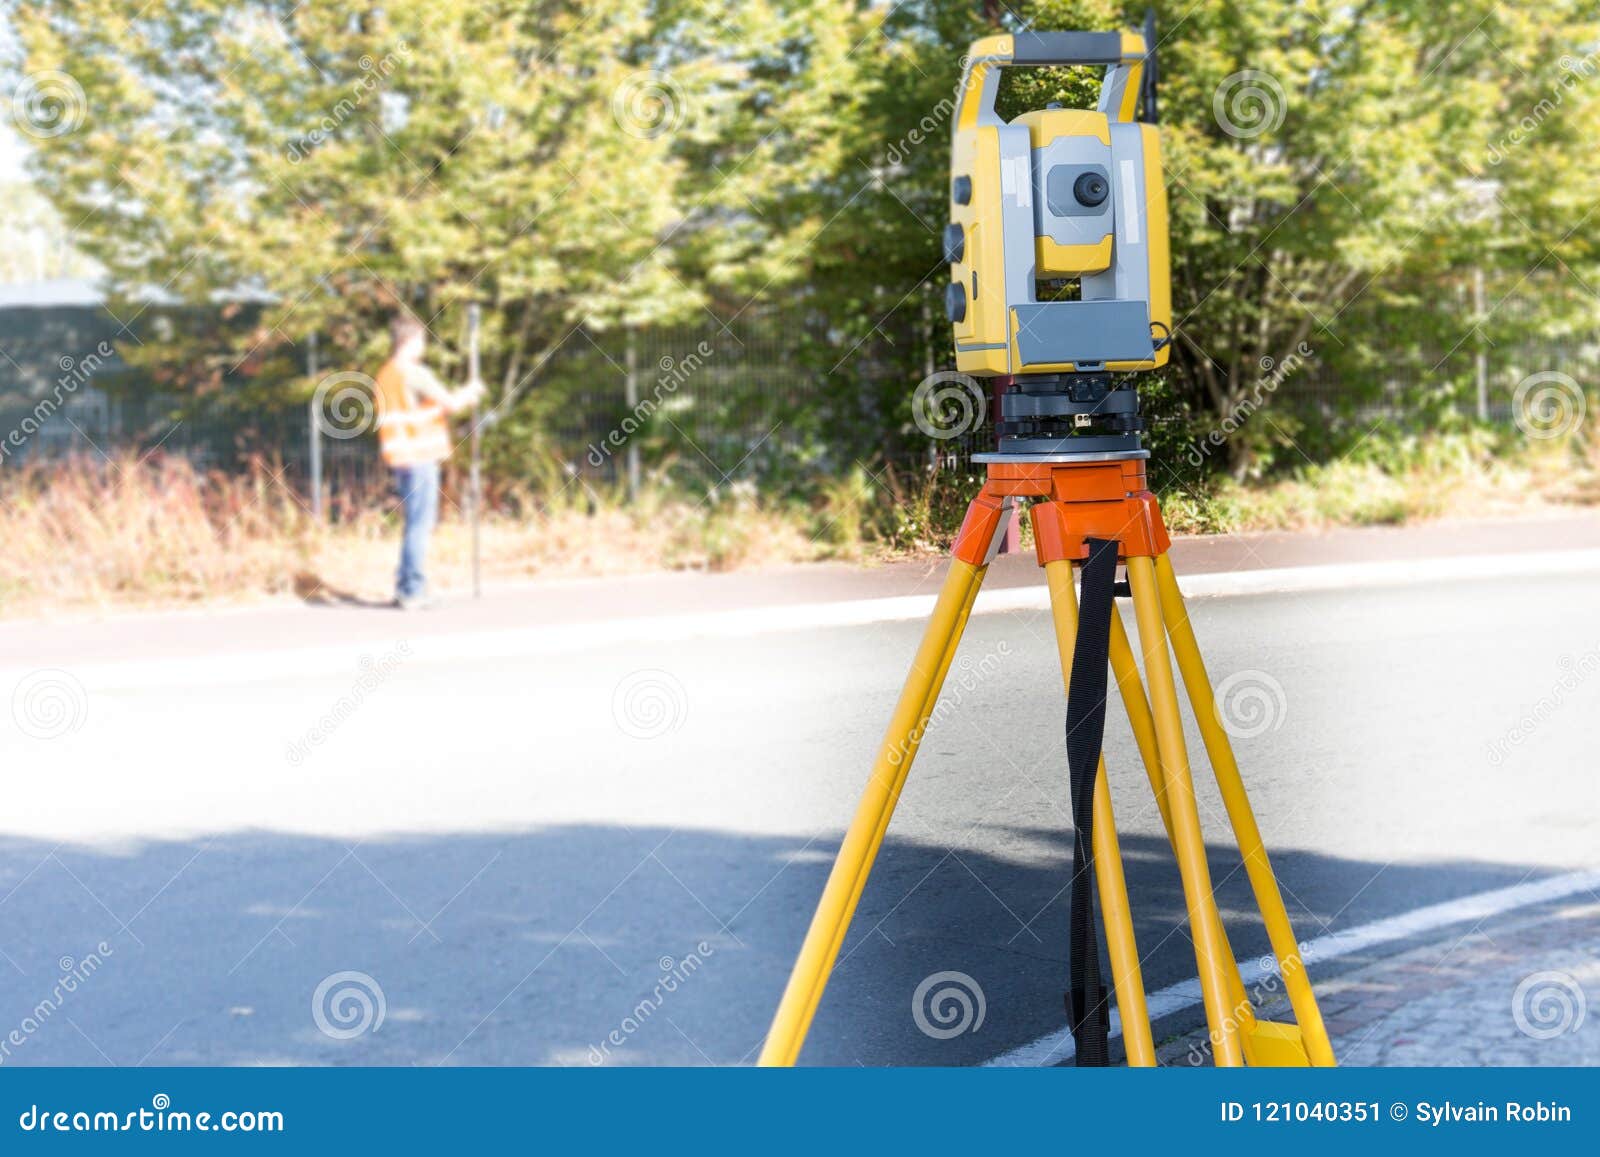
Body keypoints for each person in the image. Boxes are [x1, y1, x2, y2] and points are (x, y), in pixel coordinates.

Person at [372, 312, 484, 610]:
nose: (423, 347)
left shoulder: (386, 374)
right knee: (420, 525)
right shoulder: (414, 373)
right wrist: (471, 392)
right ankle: (412, 589)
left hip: (400, 456)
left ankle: (405, 585)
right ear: (409, 341)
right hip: (420, 456)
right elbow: (451, 403)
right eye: (421, 340)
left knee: (413, 523)